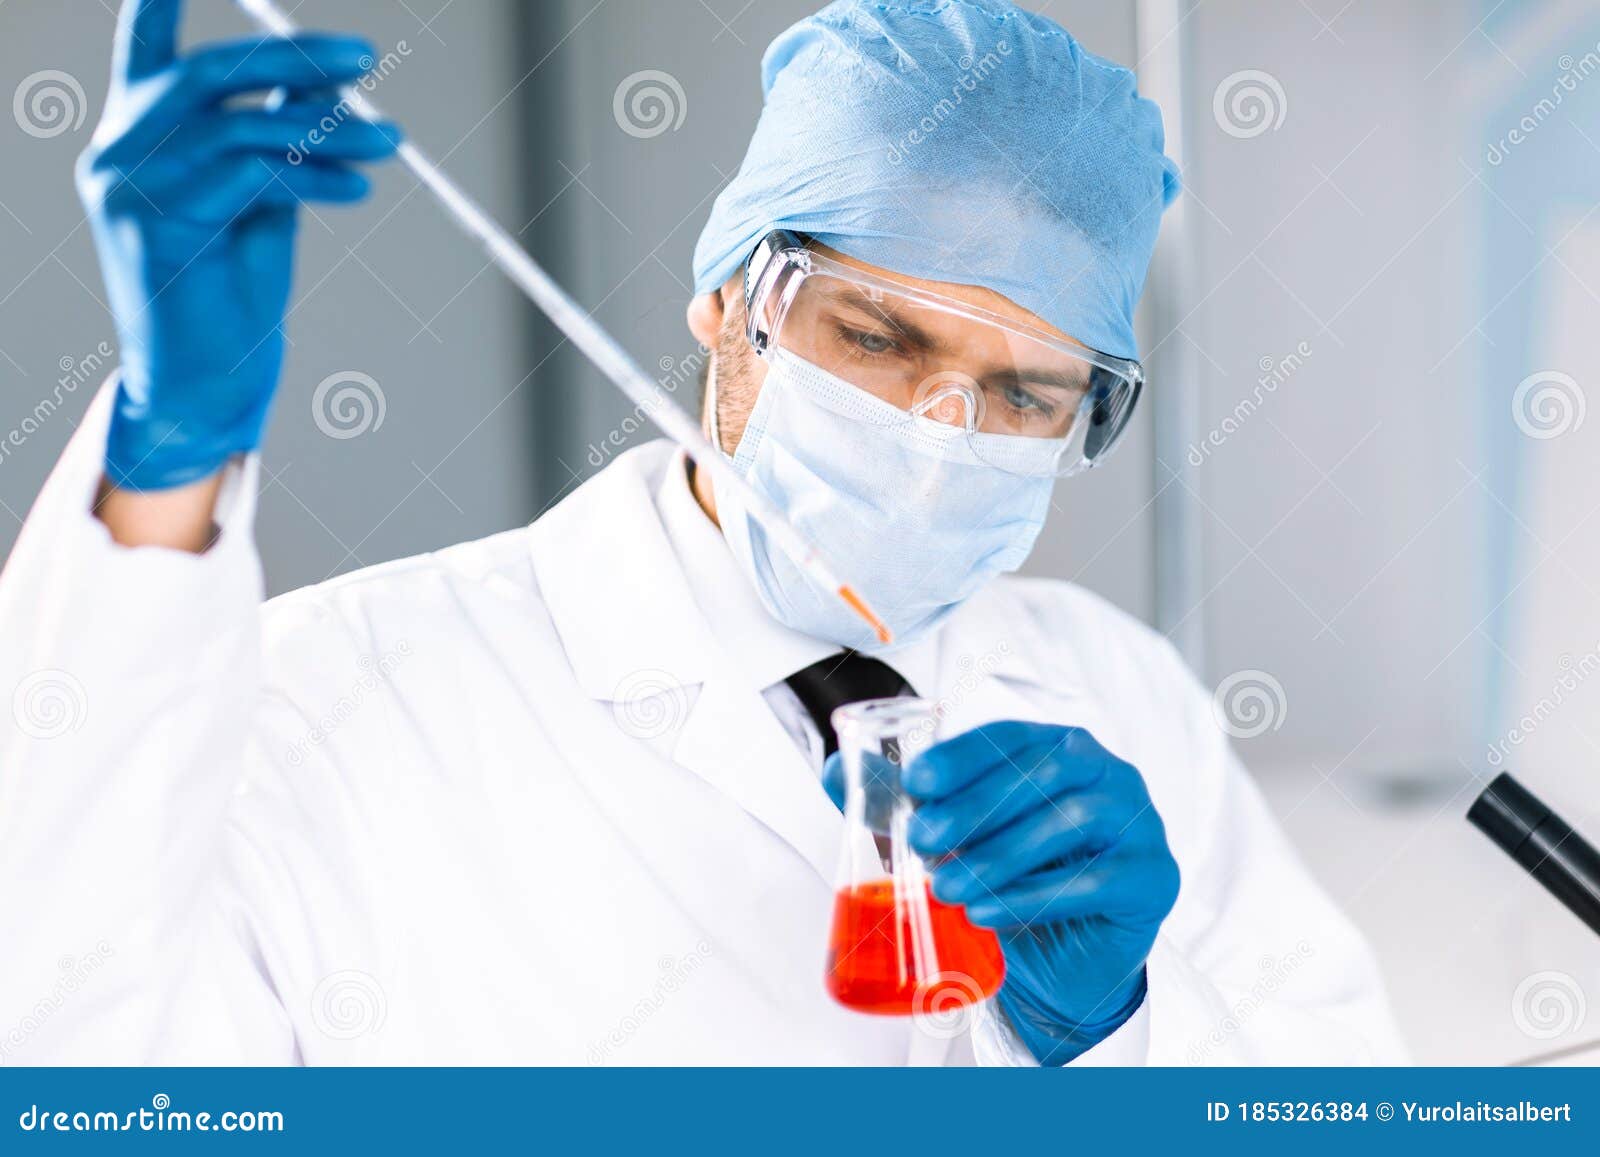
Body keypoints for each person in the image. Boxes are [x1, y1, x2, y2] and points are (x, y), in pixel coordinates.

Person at [0, 0, 1405, 1065]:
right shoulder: (344, 688)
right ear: (729, 305)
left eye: (1026, 393)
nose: (935, 431)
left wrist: (1118, 1033)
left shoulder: (1124, 695)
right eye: (872, 334)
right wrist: (169, 437)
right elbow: (78, 1045)